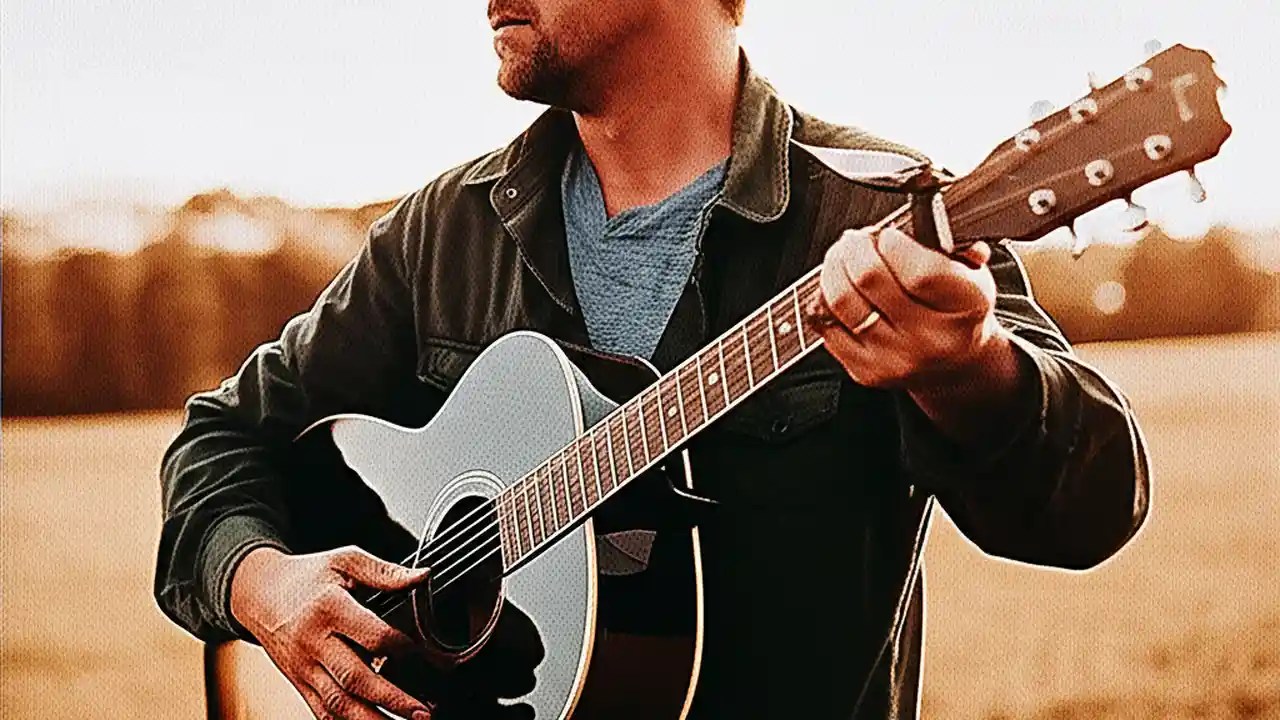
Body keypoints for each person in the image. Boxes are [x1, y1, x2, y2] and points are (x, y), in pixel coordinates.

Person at [154, 0, 1151, 718]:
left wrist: (966, 368)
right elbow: (224, 439)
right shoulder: (441, 234)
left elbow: (1094, 503)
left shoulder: (877, 215)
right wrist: (262, 588)